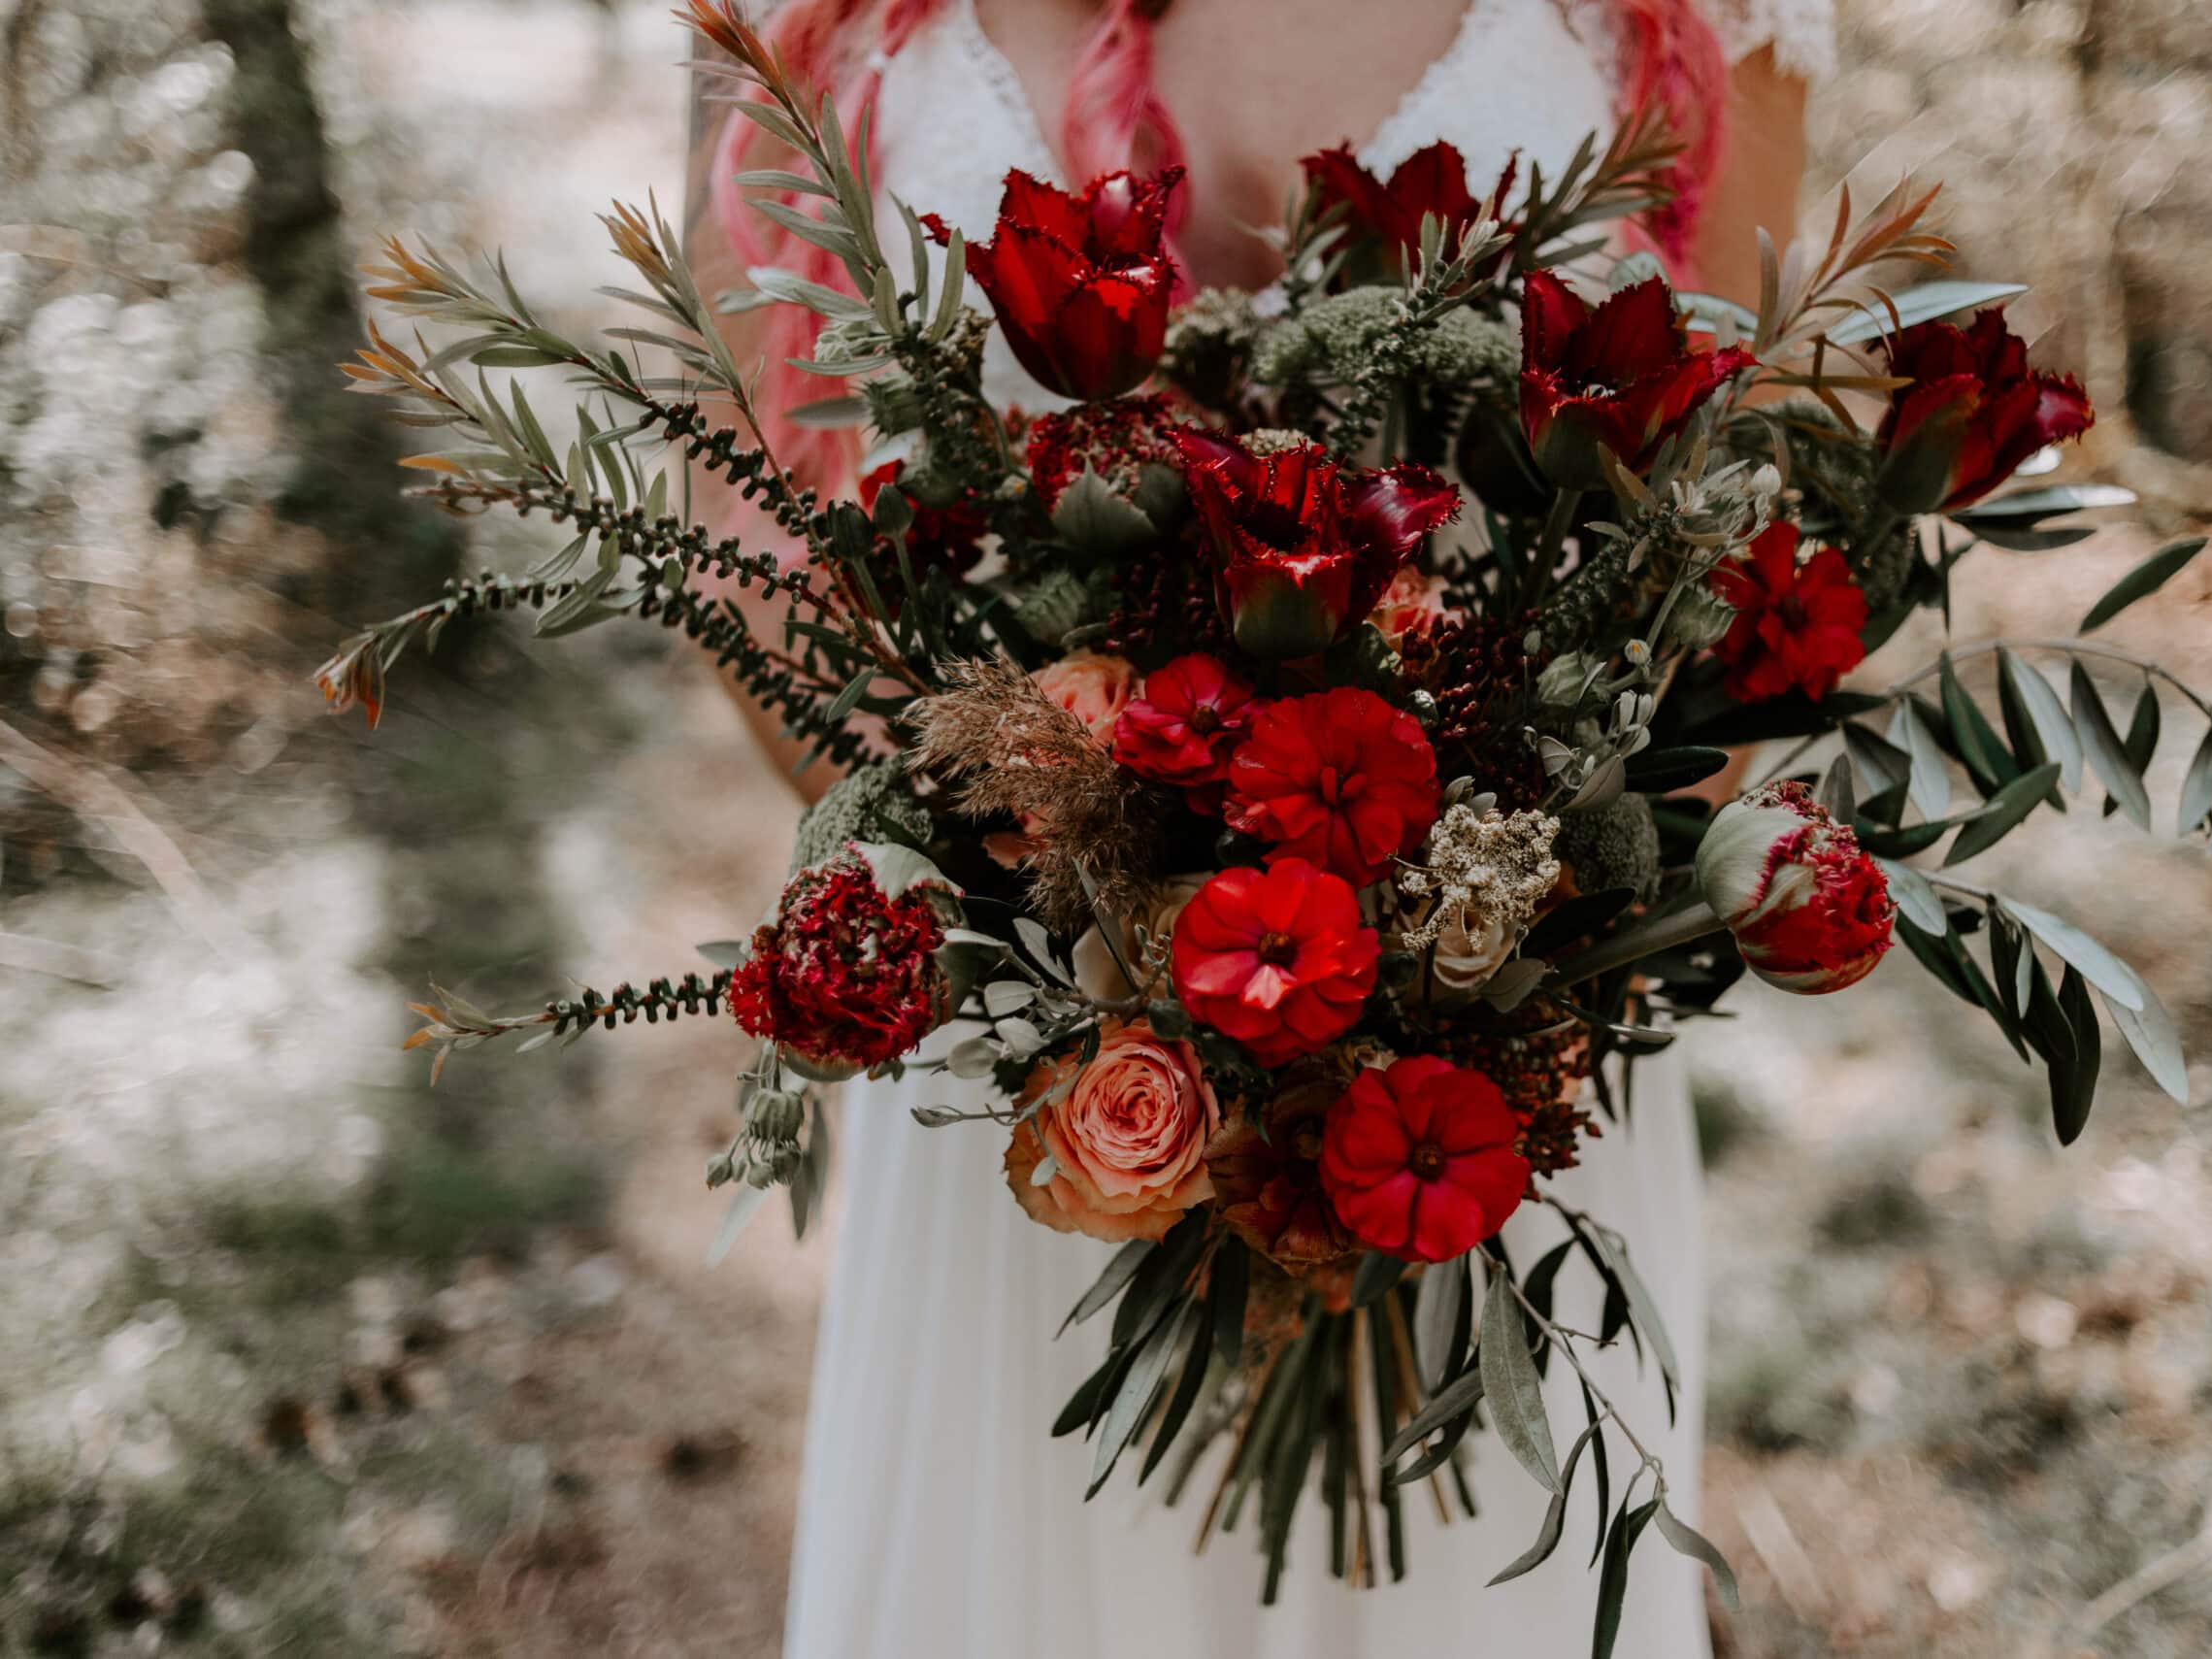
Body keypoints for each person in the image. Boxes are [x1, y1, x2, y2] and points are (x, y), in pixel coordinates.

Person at [684, 4, 1831, 1651]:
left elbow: (1743, 514)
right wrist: (1099, 948)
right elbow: (747, 530)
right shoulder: (809, 19)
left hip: (1491, 1075)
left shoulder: (1703, 21)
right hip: (1035, 1077)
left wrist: (1459, 978)